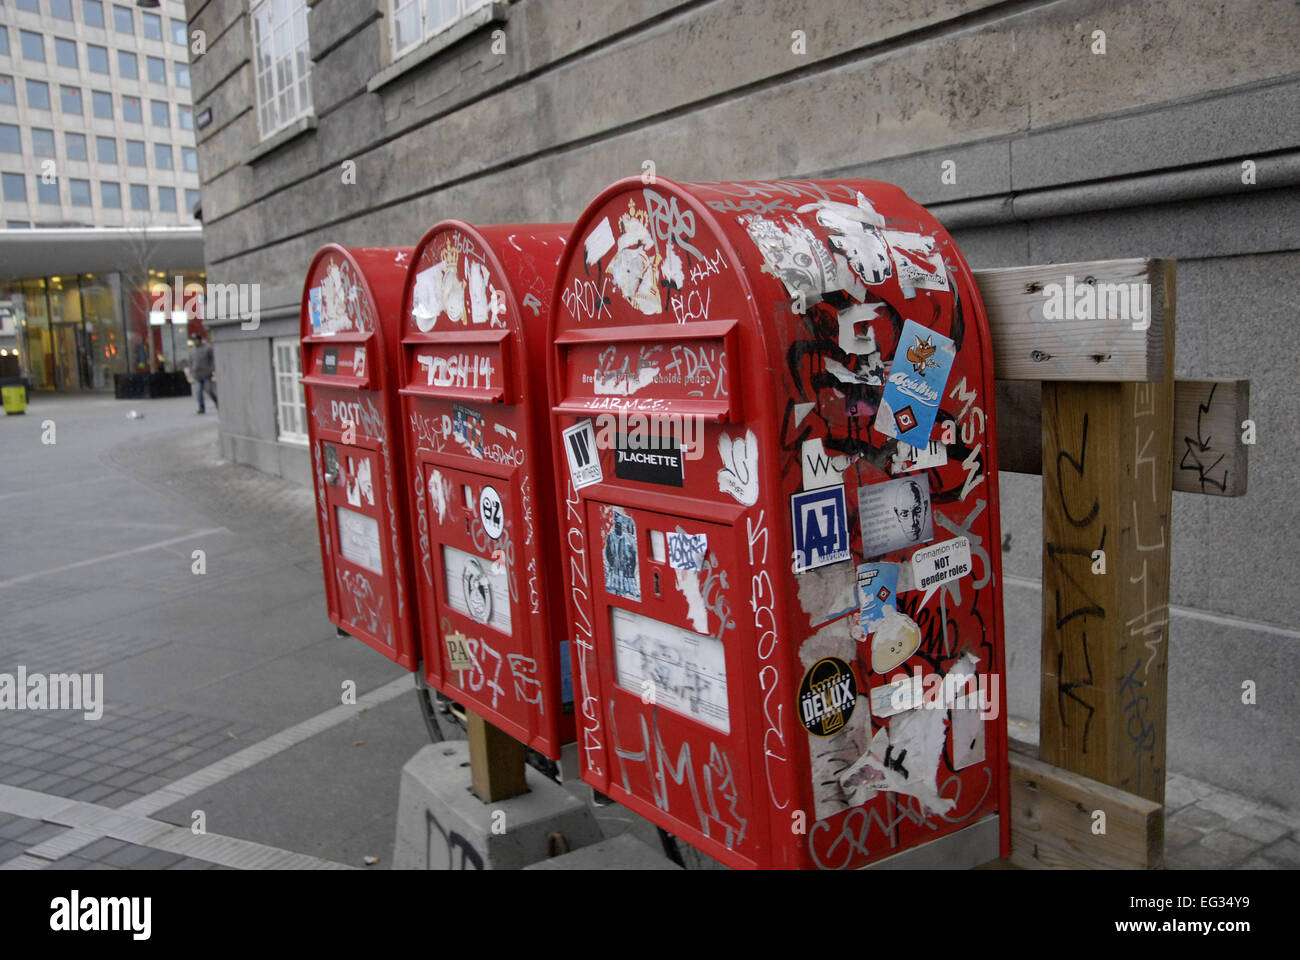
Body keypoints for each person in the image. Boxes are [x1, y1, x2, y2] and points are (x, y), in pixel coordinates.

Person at [188, 333, 217, 414]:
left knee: (209, 390)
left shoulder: (207, 348)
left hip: (206, 374)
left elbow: (212, 359)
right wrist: (191, 371)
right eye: (194, 340)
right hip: (197, 375)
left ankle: (216, 401)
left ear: (200, 340)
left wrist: (212, 369)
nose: (195, 342)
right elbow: (190, 361)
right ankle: (201, 407)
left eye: (196, 340)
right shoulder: (192, 350)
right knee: (198, 391)